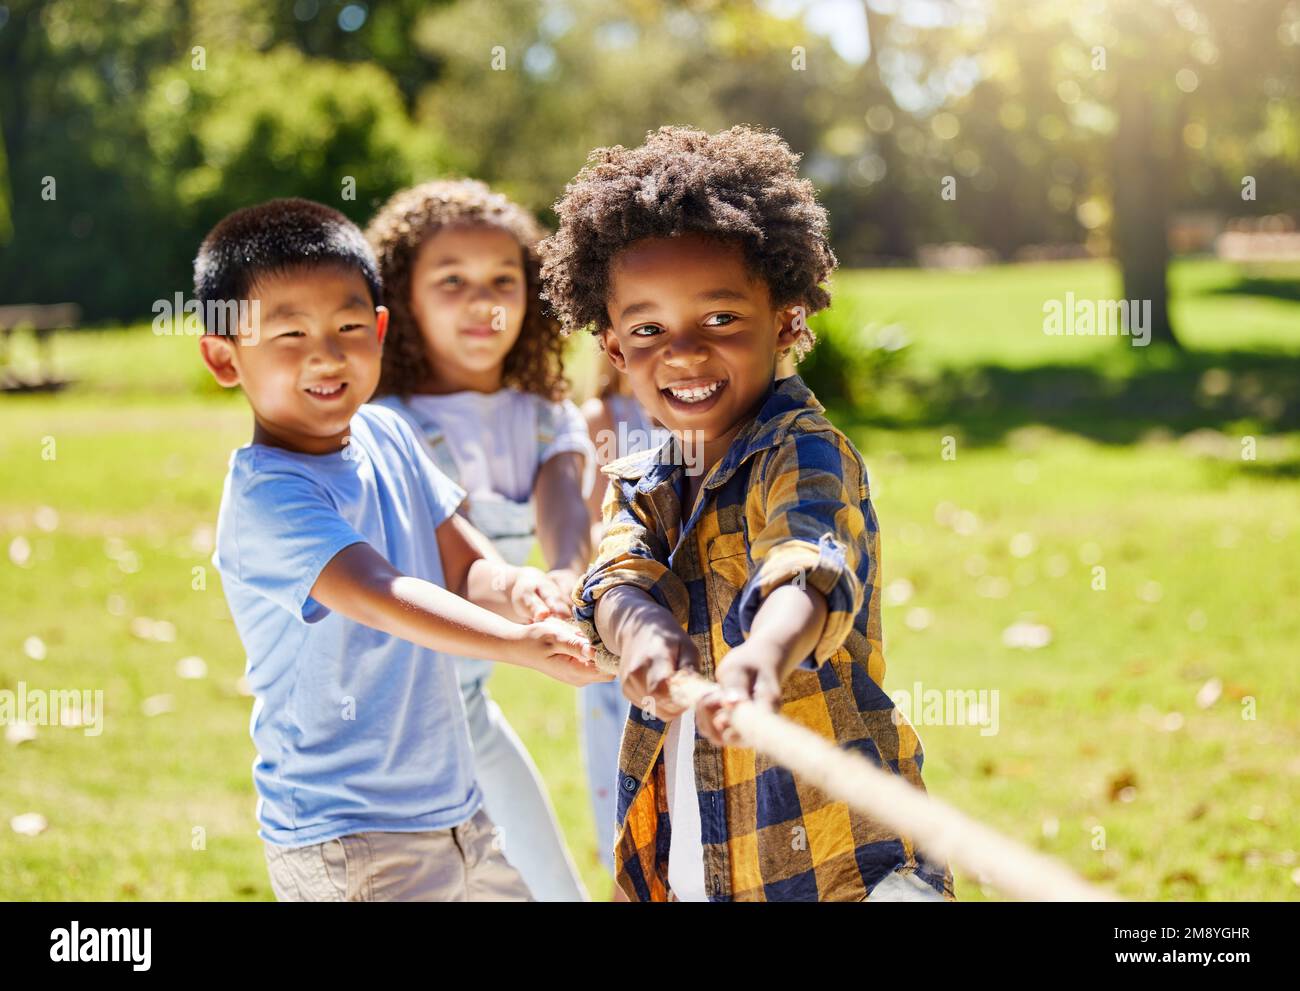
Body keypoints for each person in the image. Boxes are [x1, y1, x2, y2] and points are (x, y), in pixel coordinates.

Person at [540, 125, 955, 902]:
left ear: (787, 322)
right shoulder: (640, 480)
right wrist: (641, 630)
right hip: (704, 860)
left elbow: (808, 560)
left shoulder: (803, 450)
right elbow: (615, 578)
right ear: (615, 349)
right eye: (649, 330)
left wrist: (764, 651)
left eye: (721, 319)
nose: (684, 352)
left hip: (844, 865)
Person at [196, 198, 608, 901]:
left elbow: (464, 565)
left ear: (380, 330)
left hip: (455, 809)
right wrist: (516, 643)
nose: (326, 353)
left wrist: (519, 588)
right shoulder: (269, 497)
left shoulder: (389, 435)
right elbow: (383, 594)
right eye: (290, 333)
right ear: (223, 356)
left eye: (349, 327)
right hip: (349, 836)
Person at [365, 179, 594, 901]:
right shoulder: (379, 423)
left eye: (502, 280)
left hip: (466, 713)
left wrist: (564, 575)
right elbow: (455, 561)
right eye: (451, 281)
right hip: (378, 734)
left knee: (552, 889)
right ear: (403, 300)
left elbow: (565, 510)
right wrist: (524, 597)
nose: (482, 302)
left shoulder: (544, 416)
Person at [579, 368, 670, 899]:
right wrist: (635, 540)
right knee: (631, 817)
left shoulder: (700, 411)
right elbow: (593, 518)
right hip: (625, 628)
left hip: (683, 634)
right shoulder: (607, 418)